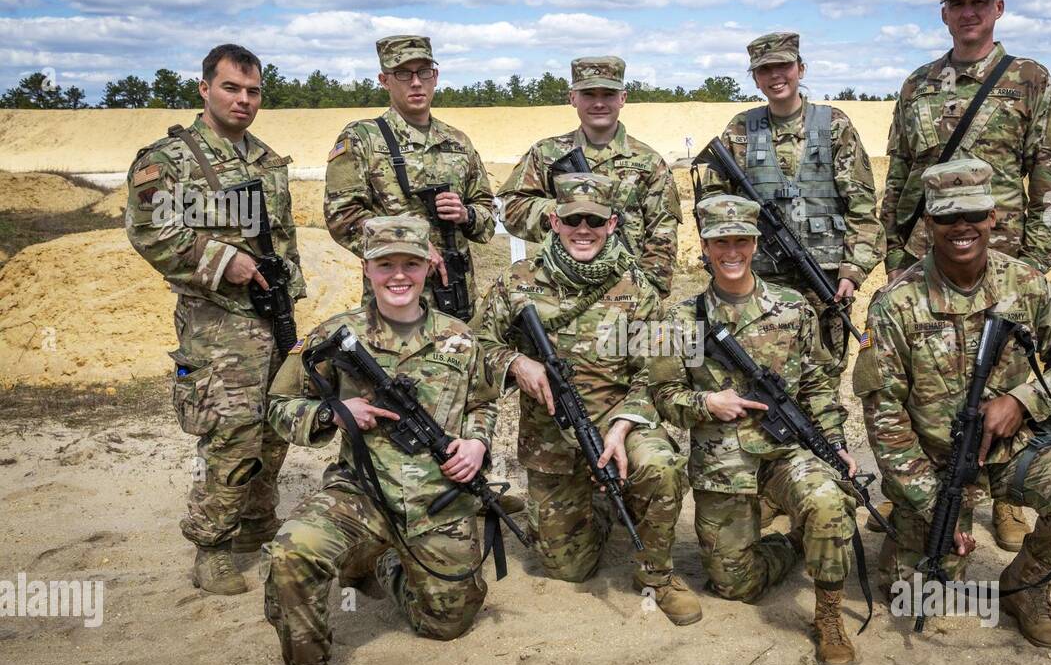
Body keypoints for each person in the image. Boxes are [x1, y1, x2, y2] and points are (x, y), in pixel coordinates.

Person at [262, 215, 500, 665]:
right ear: (366, 268)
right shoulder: (331, 336)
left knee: (448, 622)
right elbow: (278, 406)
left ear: (428, 267)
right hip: (361, 493)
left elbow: (482, 403)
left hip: (437, 500)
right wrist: (334, 414)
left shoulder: (460, 339)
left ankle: (387, 564)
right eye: (385, 264)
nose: (398, 275)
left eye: (410, 264)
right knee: (292, 550)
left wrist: (477, 443)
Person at [854, 159, 1051, 647]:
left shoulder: (1028, 285)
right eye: (947, 217)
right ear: (928, 223)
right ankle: (911, 534)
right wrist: (933, 505)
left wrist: (1023, 399)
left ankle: (1024, 587)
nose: (961, 227)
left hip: (1012, 451)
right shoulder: (895, 303)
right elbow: (883, 415)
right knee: (915, 595)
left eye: (973, 213)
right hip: (934, 464)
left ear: (993, 217)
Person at [877, 0, 1051, 552]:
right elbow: (900, 175)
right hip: (925, 254)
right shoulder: (917, 85)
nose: (969, 12)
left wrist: (1039, 259)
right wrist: (893, 252)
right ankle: (913, 486)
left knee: (1004, 377)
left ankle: (1006, 498)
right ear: (943, 12)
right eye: (958, 3)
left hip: (1003, 253)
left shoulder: (1030, 80)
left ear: (998, 9)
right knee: (924, 382)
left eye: (979, 3)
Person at [649, 195, 861, 665]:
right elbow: (661, 395)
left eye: (741, 240)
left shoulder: (793, 308)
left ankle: (828, 617)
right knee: (734, 585)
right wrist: (707, 403)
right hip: (724, 465)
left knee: (828, 501)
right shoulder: (680, 320)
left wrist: (837, 445)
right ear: (703, 246)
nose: (731, 250)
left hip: (786, 453)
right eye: (720, 241)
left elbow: (818, 385)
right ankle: (788, 543)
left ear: (755, 243)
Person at [476, 172, 698, 625]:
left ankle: (656, 572)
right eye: (573, 219)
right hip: (551, 441)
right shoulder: (517, 281)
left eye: (594, 221)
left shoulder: (638, 289)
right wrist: (517, 363)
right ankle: (594, 501)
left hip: (619, 428)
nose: (583, 229)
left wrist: (621, 428)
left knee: (661, 466)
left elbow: (654, 376)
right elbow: (472, 344)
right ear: (554, 222)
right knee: (566, 570)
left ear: (612, 224)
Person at [125, 43, 302, 595]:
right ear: (204, 88)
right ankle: (212, 546)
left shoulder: (266, 161)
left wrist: (288, 285)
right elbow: (150, 232)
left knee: (276, 428)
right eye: (231, 88)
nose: (243, 100)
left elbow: (284, 237)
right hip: (216, 326)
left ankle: (256, 524)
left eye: (253, 92)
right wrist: (225, 260)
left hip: (272, 317)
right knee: (230, 436)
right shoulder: (168, 159)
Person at [694, 32, 884, 388]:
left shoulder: (833, 125)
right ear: (755, 78)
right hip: (758, 276)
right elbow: (712, 201)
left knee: (822, 377)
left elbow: (861, 206)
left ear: (800, 68)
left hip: (824, 278)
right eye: (765, 69)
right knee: (759, 372)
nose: (775, 76)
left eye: (783, 65)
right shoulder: (740, 130)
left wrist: (853, 270)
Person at [324, 35, 496, 309]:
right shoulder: (362, 139)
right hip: (394, 302)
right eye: (403, 73)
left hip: (457, 298)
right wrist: (407, 242)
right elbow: (342, 216)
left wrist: (466, 214)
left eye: (424, 72)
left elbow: (487, 215)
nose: (416, 82)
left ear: (435, 76)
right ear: (384, 80)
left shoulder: (458, 142)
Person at [498, 56, 681, 297]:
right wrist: (569, 211)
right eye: (588, 94)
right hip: (557, 289)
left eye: (608, 94)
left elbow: (662, 234)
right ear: (572, 98)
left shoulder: (649, 162)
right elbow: (511, 209)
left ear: (623, 98)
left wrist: (651, 292)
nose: (598, 103)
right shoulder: (546, 154)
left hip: (622, 290)